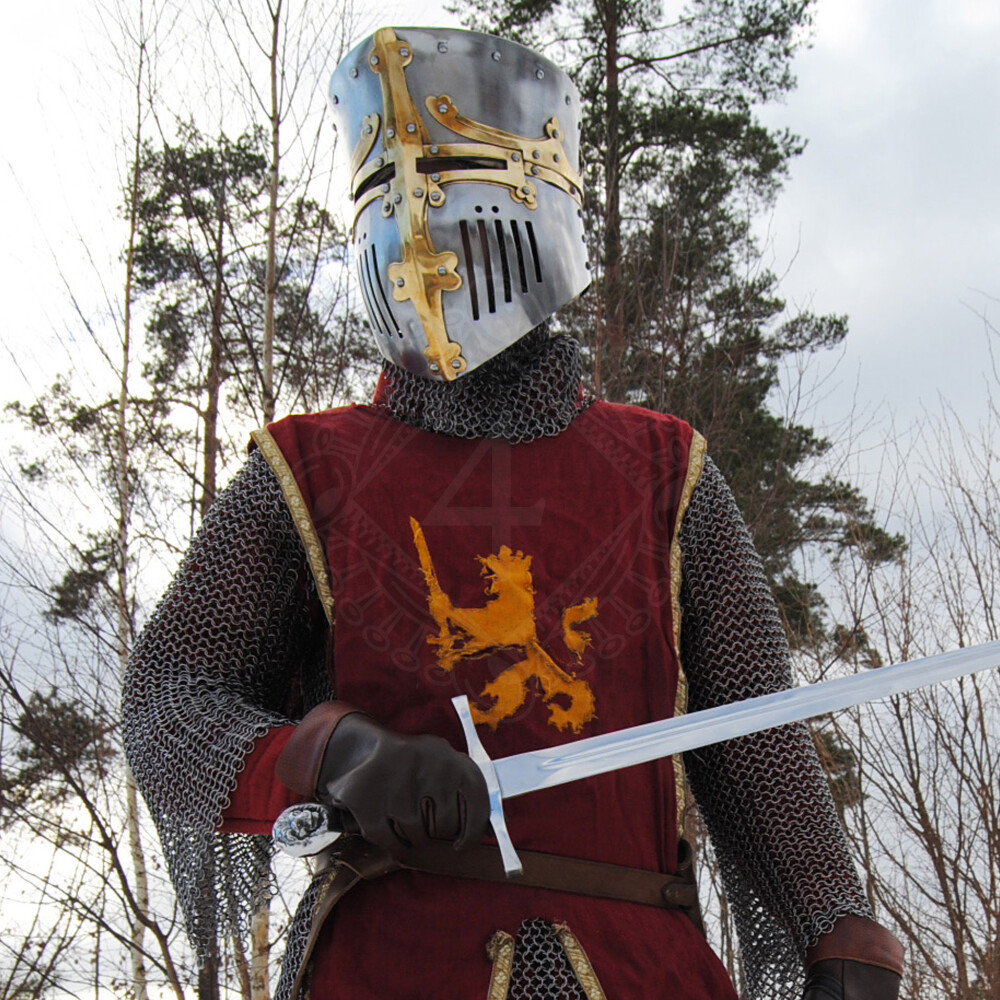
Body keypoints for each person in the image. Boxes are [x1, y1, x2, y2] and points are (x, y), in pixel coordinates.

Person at [122, 26, 904, 1000]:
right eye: (396, 184)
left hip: (638, 968)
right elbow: (170, 696)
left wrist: (834, 925)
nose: (424, 218)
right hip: (385, 965)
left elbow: (753, 733)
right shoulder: (309, 470)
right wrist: (331, 754)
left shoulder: (664, 469)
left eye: (454, 172)